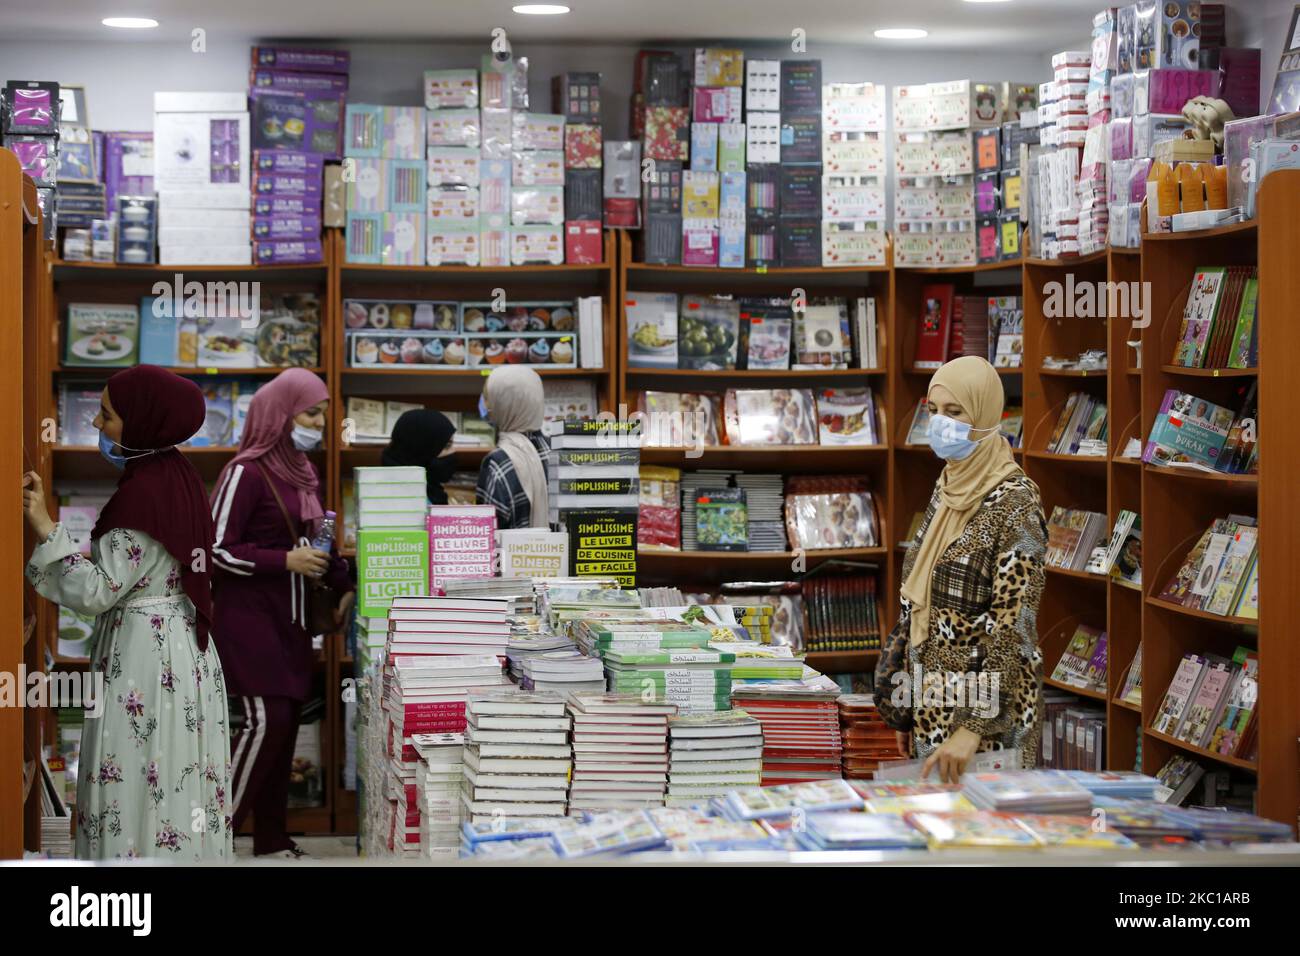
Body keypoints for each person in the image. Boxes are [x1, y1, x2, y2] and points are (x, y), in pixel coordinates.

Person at [23, 366, 232, 861]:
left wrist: (45, 528)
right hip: (185, 653)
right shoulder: (180, 477)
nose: (96, 424)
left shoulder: (142, 496)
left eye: (108, 414)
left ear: (143, 421)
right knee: (176, 776)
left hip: (144, 658)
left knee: (137, 770)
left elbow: (97, 591)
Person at [874, 356, 1048, 783]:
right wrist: (909, 710)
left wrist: (973, 727)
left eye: (955, 412)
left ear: (986, 414)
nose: (940, 423)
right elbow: (920, 606)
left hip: (987, 723)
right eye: (934, 411)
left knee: (985, 843)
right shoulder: (950, 484)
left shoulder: (1016, 503)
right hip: (931, 705)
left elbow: (1014, 629)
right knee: (936, 840)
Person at [208, 367, 354, 858]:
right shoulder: (244, 472)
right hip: (249, 624)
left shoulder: (303, 475)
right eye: (310, 412)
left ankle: (270, 839)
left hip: (292, 627)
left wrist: (346, 582)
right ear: (280, 414)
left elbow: (315, 547)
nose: (319, 422)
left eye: (322, 413)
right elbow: (215, 550)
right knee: (263, 724)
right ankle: (205, 835)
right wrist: (284, 560)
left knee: (284, 728)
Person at [475, 365, 550, 529]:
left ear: (503, 404)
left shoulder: (498, 462)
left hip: (511, 554)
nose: (484, 404)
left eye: (488, 398)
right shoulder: (559, 453)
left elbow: (487, 533)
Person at [382, 408, 458, 504]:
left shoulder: (430, 489)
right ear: (420, 448)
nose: (453, 451)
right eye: (447, 446)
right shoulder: (399, 501)